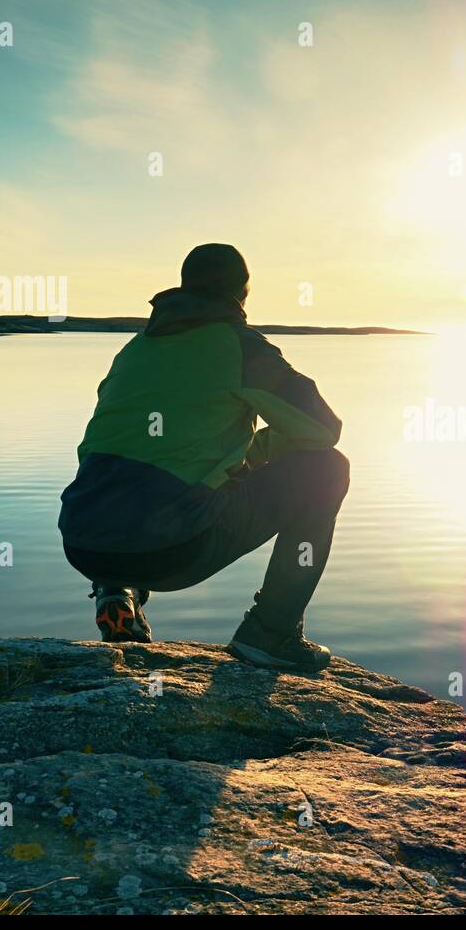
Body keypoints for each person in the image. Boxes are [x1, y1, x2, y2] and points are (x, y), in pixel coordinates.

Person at [58, 244, 349, 671]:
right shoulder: (241, 346)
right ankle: (270, 633)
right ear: (242, 295)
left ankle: (116, 590)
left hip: (83, 539)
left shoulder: (135, 348)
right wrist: (256, 452)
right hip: (170, 550)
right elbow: (323, 430)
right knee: (328, 469)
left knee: (139, 474)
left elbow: (127, 442)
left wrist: (238, 457)